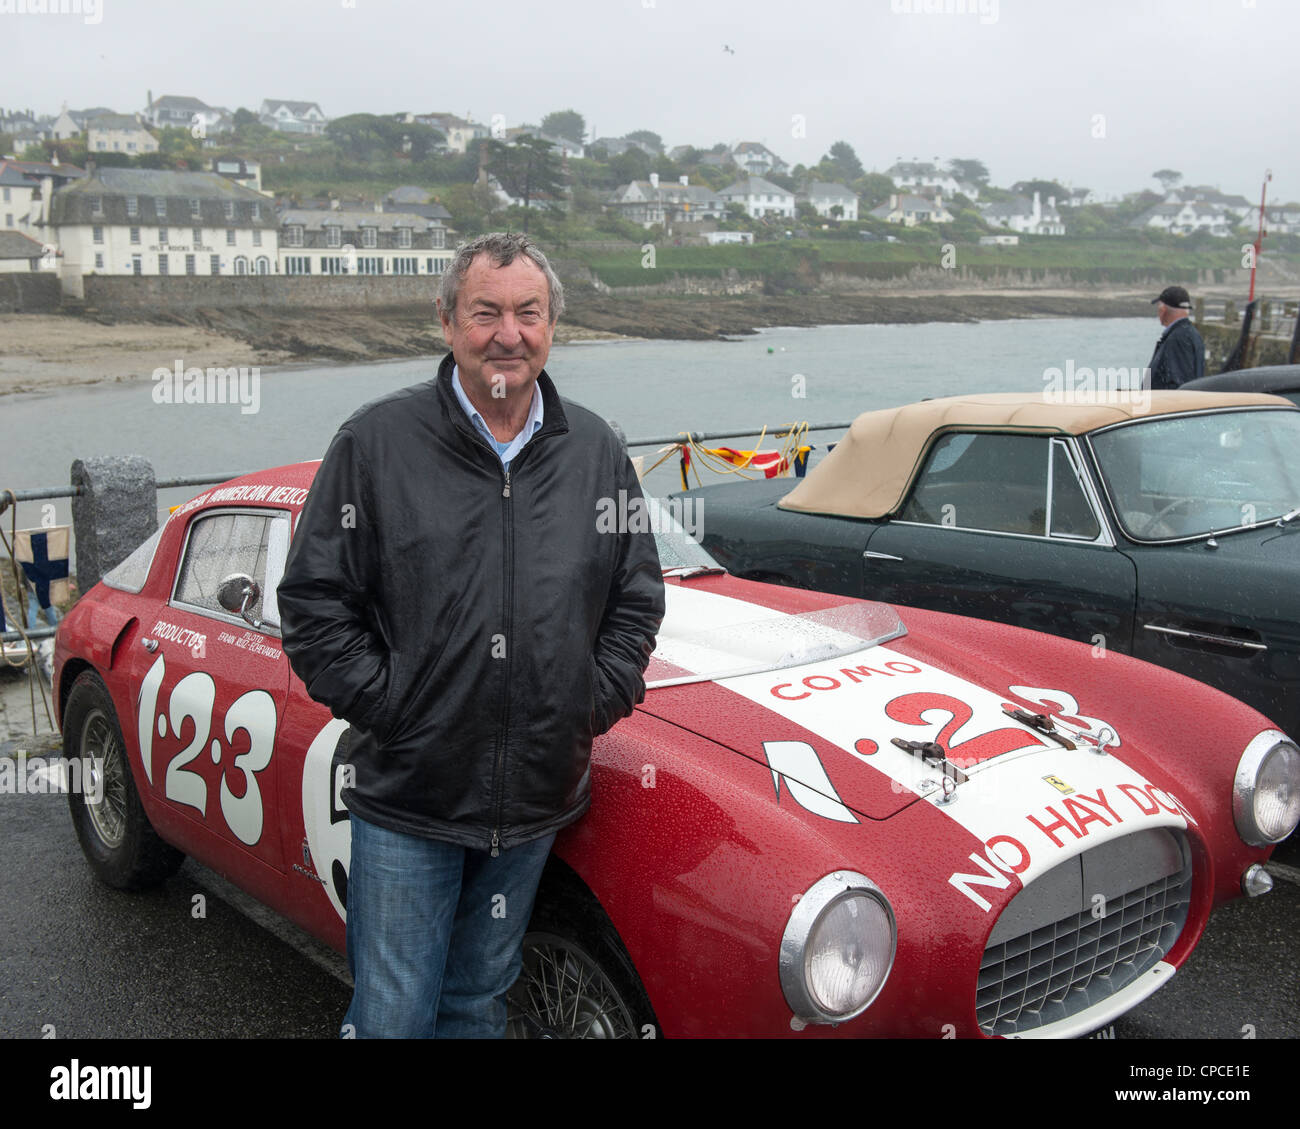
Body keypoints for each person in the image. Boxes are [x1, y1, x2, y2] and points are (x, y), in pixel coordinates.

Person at [276, 232, 665, 1039]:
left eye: (529, 312)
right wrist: (397, 711)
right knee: (393, 1015)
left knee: (478, 1005)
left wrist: (583, 704)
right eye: (485, 312)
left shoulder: (595, 450)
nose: (508, 333)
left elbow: (636, 596)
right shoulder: (375, 443)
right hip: (411, 801)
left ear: (553, 325)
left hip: (534, 802)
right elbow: (314, 603)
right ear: (448, 321)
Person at [1147, 285, 1206, 389]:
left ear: (1163, 309)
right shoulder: (1192, 334)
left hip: (1170, 404)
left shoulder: (1178, 339)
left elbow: (1180, 384)